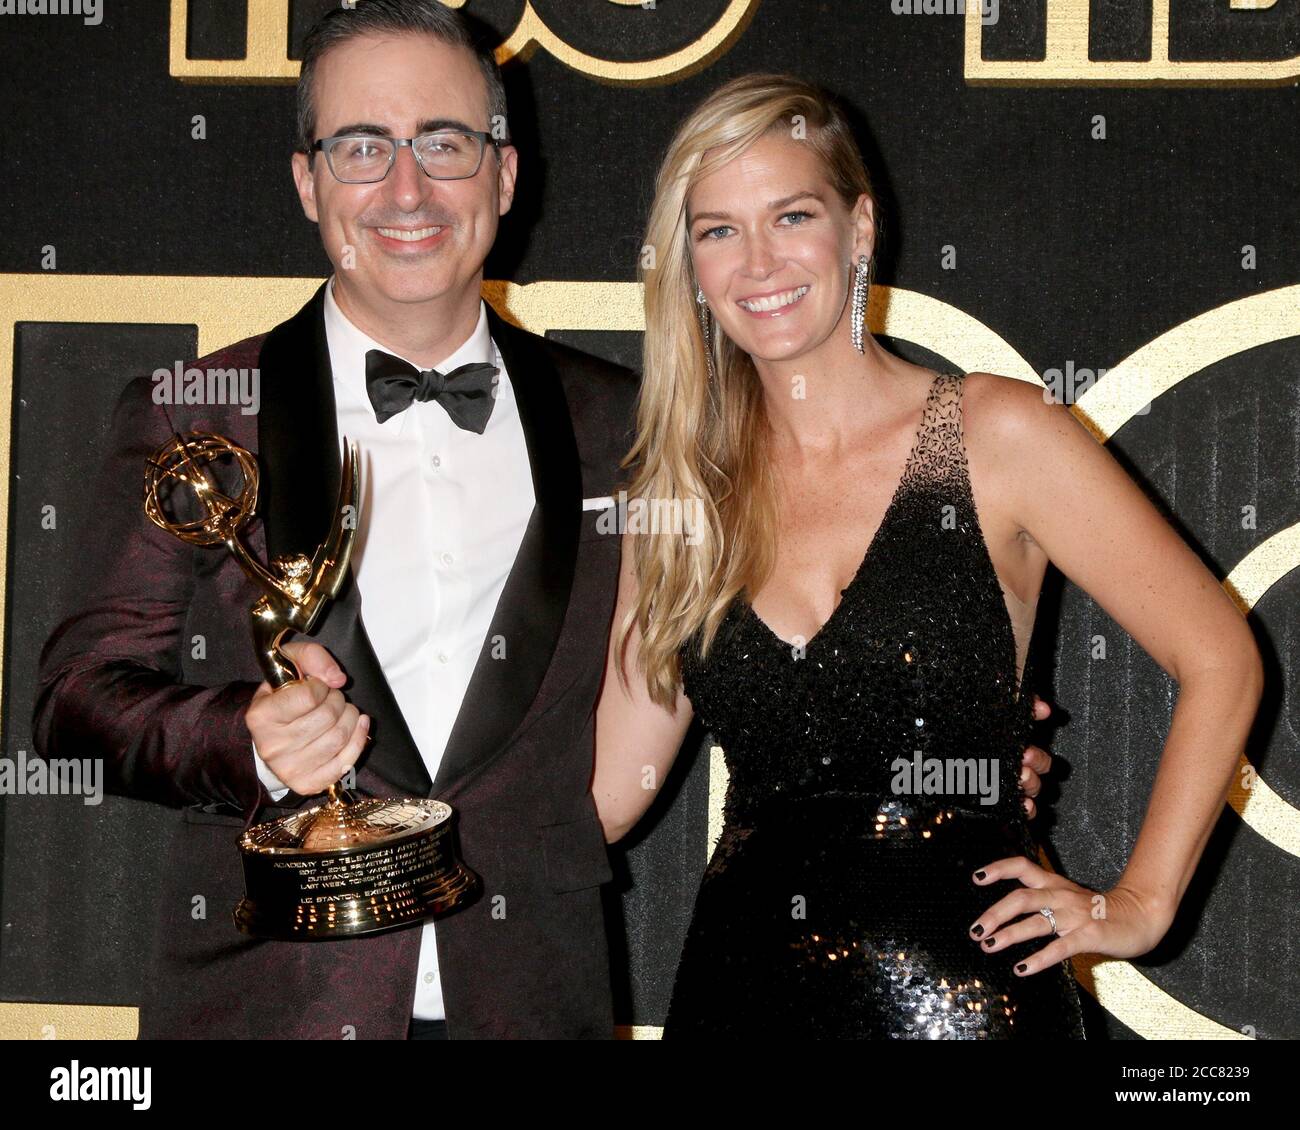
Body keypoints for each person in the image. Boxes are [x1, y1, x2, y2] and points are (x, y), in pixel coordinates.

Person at [592, 74, 1263, 1039]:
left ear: (859, 230)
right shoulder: (680, 495)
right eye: (718, 230)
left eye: (791, 215)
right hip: (740, 996)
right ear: (687, 262)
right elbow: (613, 795)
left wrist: (1139, 906)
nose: (759, 262)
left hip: (969, 1003)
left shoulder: (998, 434)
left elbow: (1222, 658)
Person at [32, 0, 636, 1040]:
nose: (407, 189)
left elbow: (735, 642)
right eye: (362, 146)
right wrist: (246, 739)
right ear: (309, 180)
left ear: (503, 172)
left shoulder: (625, 421)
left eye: (443, 143)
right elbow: (72, 706)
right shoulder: (196, 410)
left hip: (537, 1003)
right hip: (273, 1008)